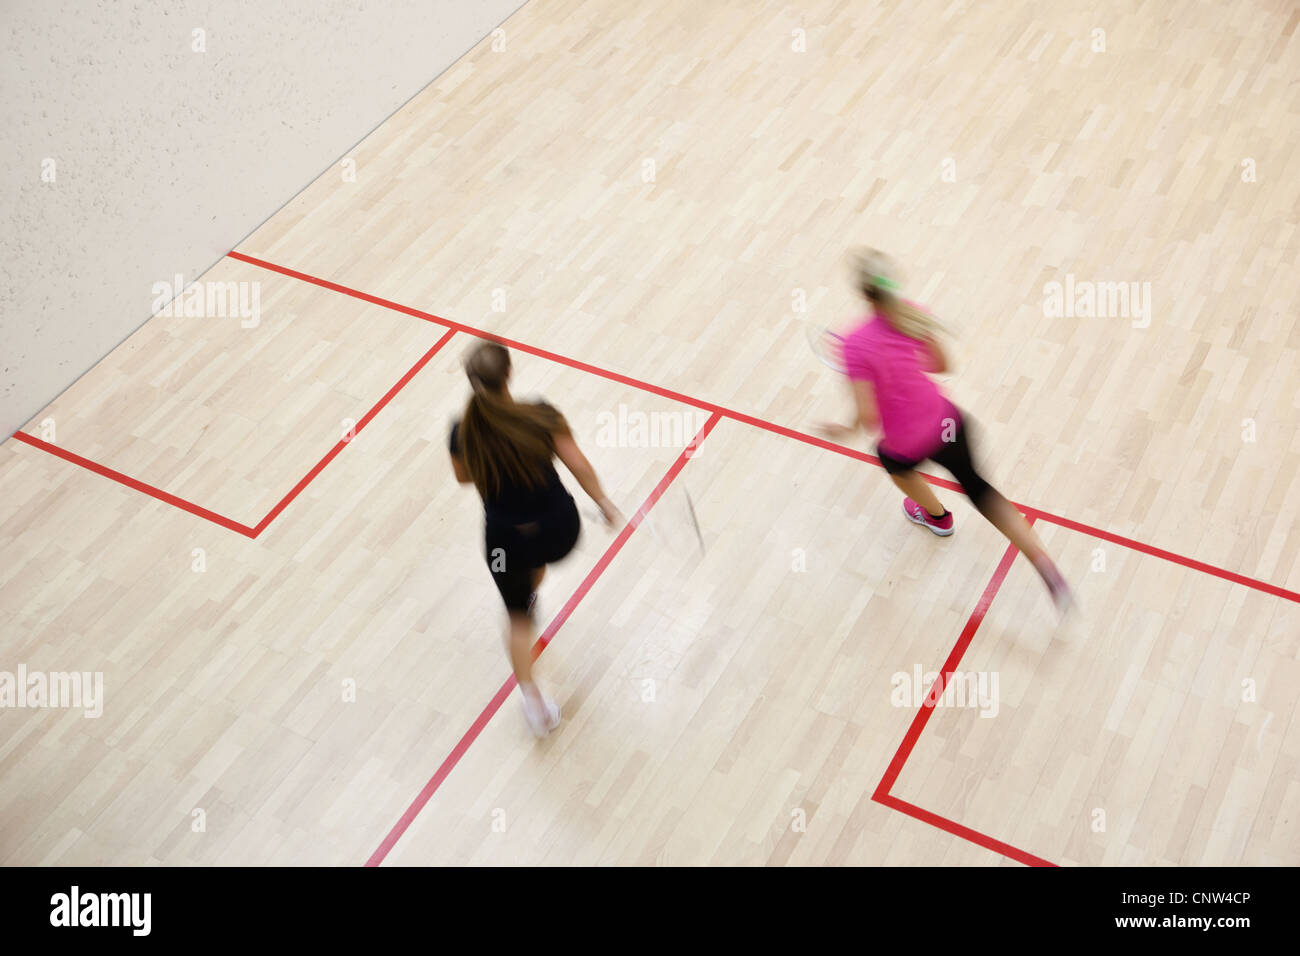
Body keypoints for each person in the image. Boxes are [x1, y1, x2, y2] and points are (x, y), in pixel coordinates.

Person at [817, 250, 1072, 613]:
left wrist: (844, 426)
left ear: (863, 293)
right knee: (982, 491)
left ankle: (937, 516)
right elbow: (942, 365)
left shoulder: (854, 344)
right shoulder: (910, 313)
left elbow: (869, 417)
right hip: (949, 422)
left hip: (906, 441)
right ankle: (1046, 567)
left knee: (891, 460)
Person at [449, 341, 622, 736]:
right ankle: (528, 592)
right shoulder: (541, 416)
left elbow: (462, 478)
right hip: (559, 529)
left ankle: (533, 702)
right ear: (509, 373)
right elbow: (578, 465)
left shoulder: (462, 433)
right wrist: (605, 504)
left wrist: (498, 468)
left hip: (503, 545)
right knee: (534, 571)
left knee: (517, 616)